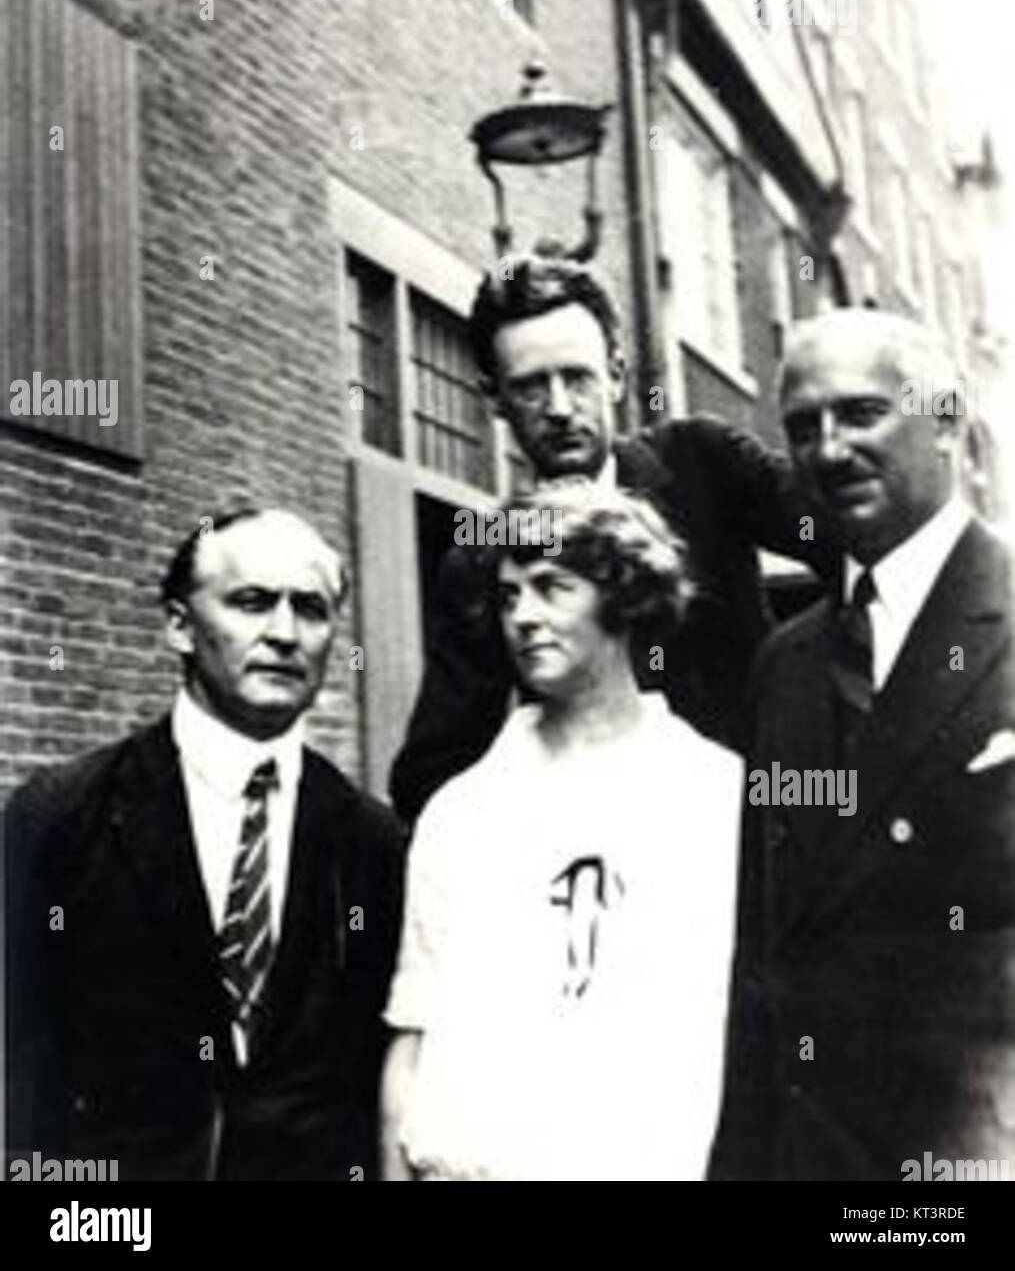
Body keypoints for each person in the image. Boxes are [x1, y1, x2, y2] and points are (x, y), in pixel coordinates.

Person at [4, 508, 404, 1180]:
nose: (283, 633)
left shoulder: (374, 843)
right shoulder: (61, 816)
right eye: (251, 602)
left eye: (309, 609)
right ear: (180, 627)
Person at [710, 309, 1015, 1181]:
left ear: (946, 420)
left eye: (860, 413)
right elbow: (763, 949)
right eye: (803, 429)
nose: (829, 450)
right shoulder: (786, 663)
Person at [389, 254, 836, 820]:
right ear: (496, 400)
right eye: (529, 387)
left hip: (759, 830)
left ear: (618, 376)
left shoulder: (707, 464)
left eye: (576, 378)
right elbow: (431, 775)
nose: (558, 408)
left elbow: (853, 545)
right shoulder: (484, 560)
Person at [381, 485, 743, 1180]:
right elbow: (413, 1034)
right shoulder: (461, 810)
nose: (523, 616)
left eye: (552, 586)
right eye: (510, 595)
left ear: (625, 597)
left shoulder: (714, 794)